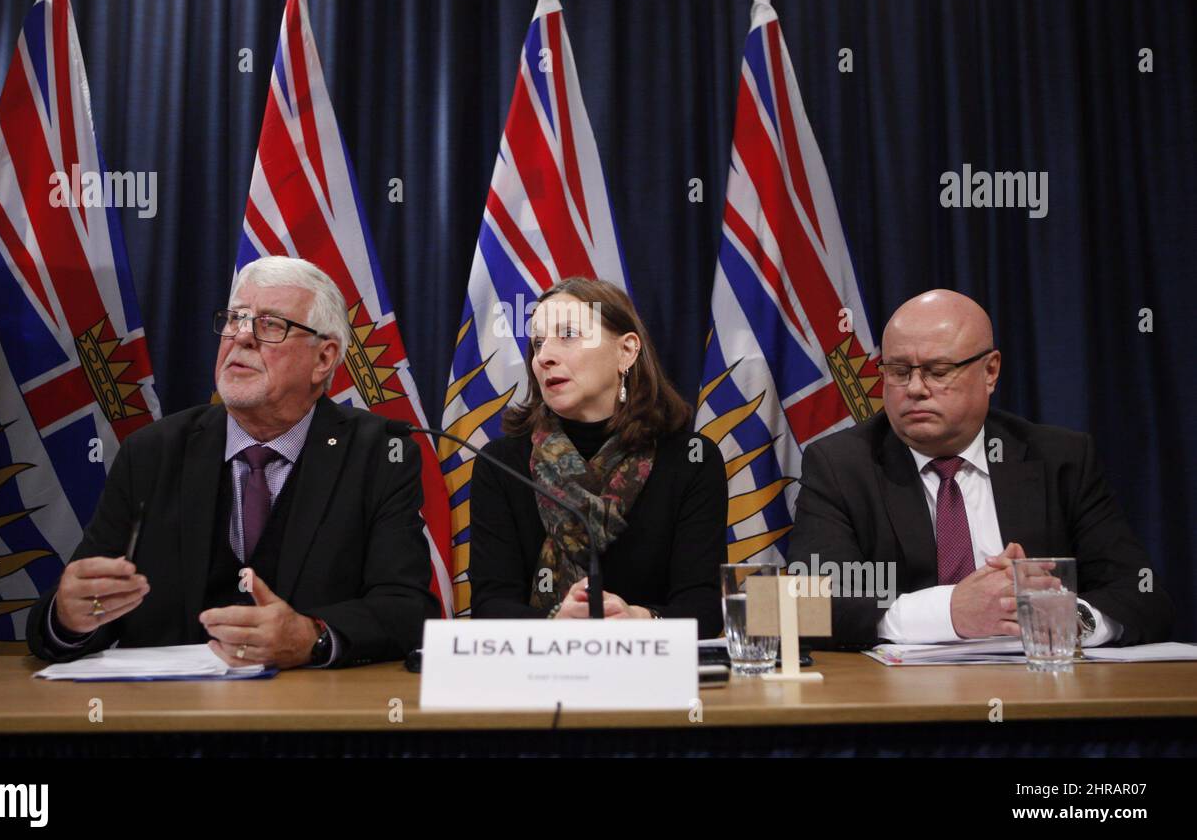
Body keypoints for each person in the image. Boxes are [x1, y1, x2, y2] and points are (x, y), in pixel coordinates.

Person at [26, 256, 438, 668]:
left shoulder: (379, 454)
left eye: (271, 325)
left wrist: (312, 636)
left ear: (323, 359)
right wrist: (69, 618)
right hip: (165, 719)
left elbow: (407, 609)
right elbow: (76, 614)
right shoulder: (152, 452)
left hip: (310, 718)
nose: (241, 337)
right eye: (235, 319)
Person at [788, 289, 1172, 647]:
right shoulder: (841, 465)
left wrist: (1068, 617)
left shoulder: (1061, 458)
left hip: (1040, 700)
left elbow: (1141, 595)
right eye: (899, 371)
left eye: (938, 371)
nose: (916, 388)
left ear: (990, 371)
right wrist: (950, 612)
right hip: (900, 704)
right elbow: (806, 603)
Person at [469, 277, 727, 637]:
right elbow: (489, 606)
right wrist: (555, 624)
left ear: (627, 351)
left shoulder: (690, 461)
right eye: (538, 343)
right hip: (537, 678)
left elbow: (704, 606)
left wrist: (640, 620)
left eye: (569, 335)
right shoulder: (501, 464)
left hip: (650, 676)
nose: (544, 357)